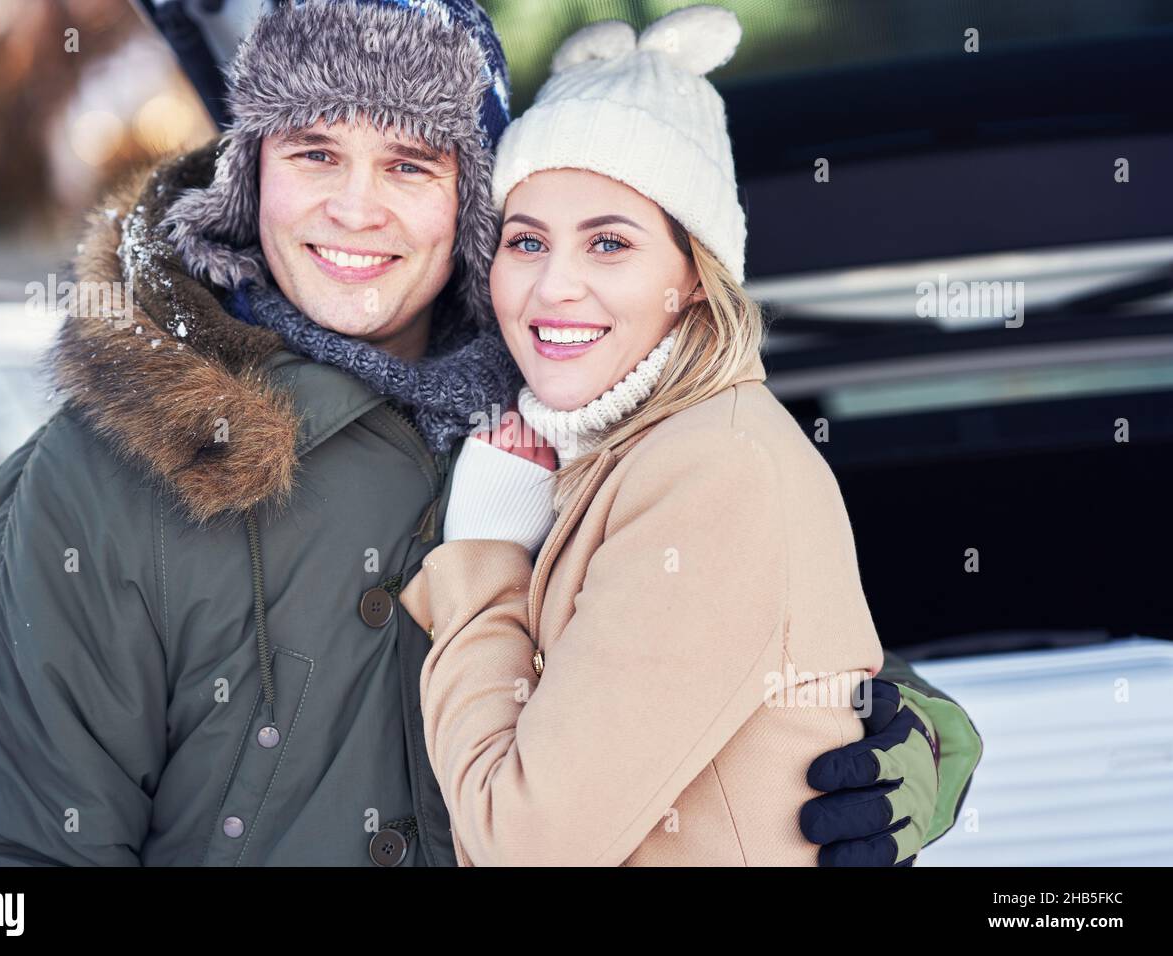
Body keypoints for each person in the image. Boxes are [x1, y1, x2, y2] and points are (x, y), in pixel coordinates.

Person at [0, 0, 977, 867]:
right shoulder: (102, 474)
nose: (354, 208)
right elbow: (5, 865)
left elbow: (751, 626)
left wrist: (915, 745)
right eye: (313, 150)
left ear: (473, 198)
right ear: (250, 176)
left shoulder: (583, 400)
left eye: (410, 164)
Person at [399, 4, 981, 866]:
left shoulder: (712, 464)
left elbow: (526, 844)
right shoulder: (612, 458)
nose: (554, 284)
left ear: (697, 280)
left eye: (609, 243)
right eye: (527, 240)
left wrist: (484, 559)